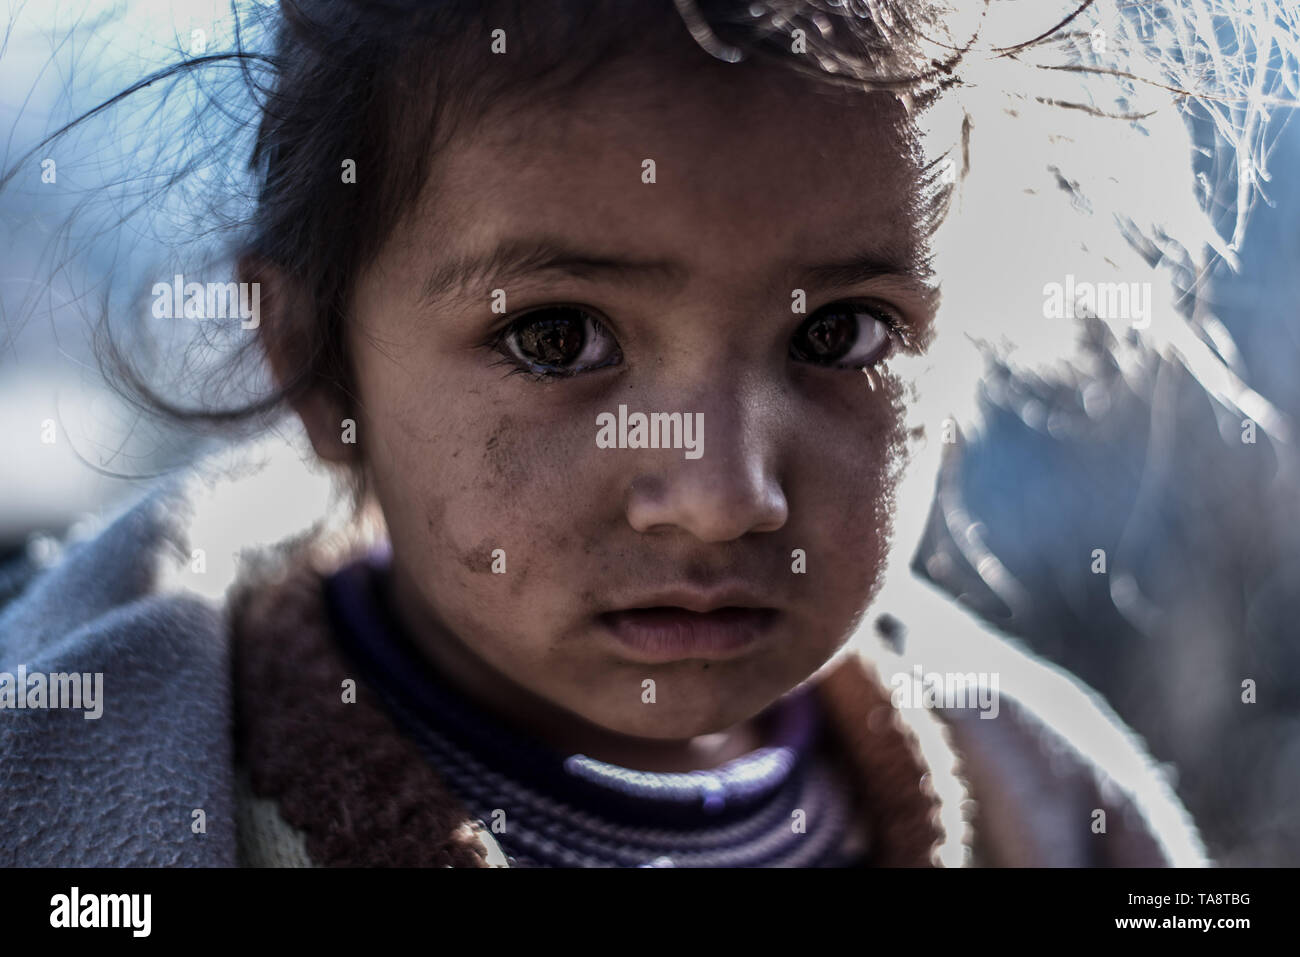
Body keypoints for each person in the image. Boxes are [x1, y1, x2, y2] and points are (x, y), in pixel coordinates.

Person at [0, 0, 1227, 867]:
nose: (717, 494)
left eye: (843, 336)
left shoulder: (1057, 818)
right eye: (555, 339)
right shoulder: (126, 806)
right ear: (323, 375)